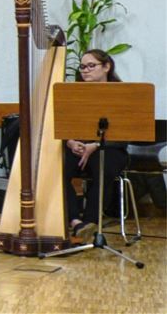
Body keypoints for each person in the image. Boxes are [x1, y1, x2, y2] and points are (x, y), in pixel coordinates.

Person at [63, 49, 128, 242]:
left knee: (103, 167)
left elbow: (125, 135)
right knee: (56, 169)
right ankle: (76, 222)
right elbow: (64, 125)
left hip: (111, 149)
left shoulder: (122, 93)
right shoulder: (74, 94)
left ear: (106, 67)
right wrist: (71, 142)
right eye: (82, 66)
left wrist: (96, 145)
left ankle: (92, 221)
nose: (85, 71)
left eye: (91, 65)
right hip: (79, 147)